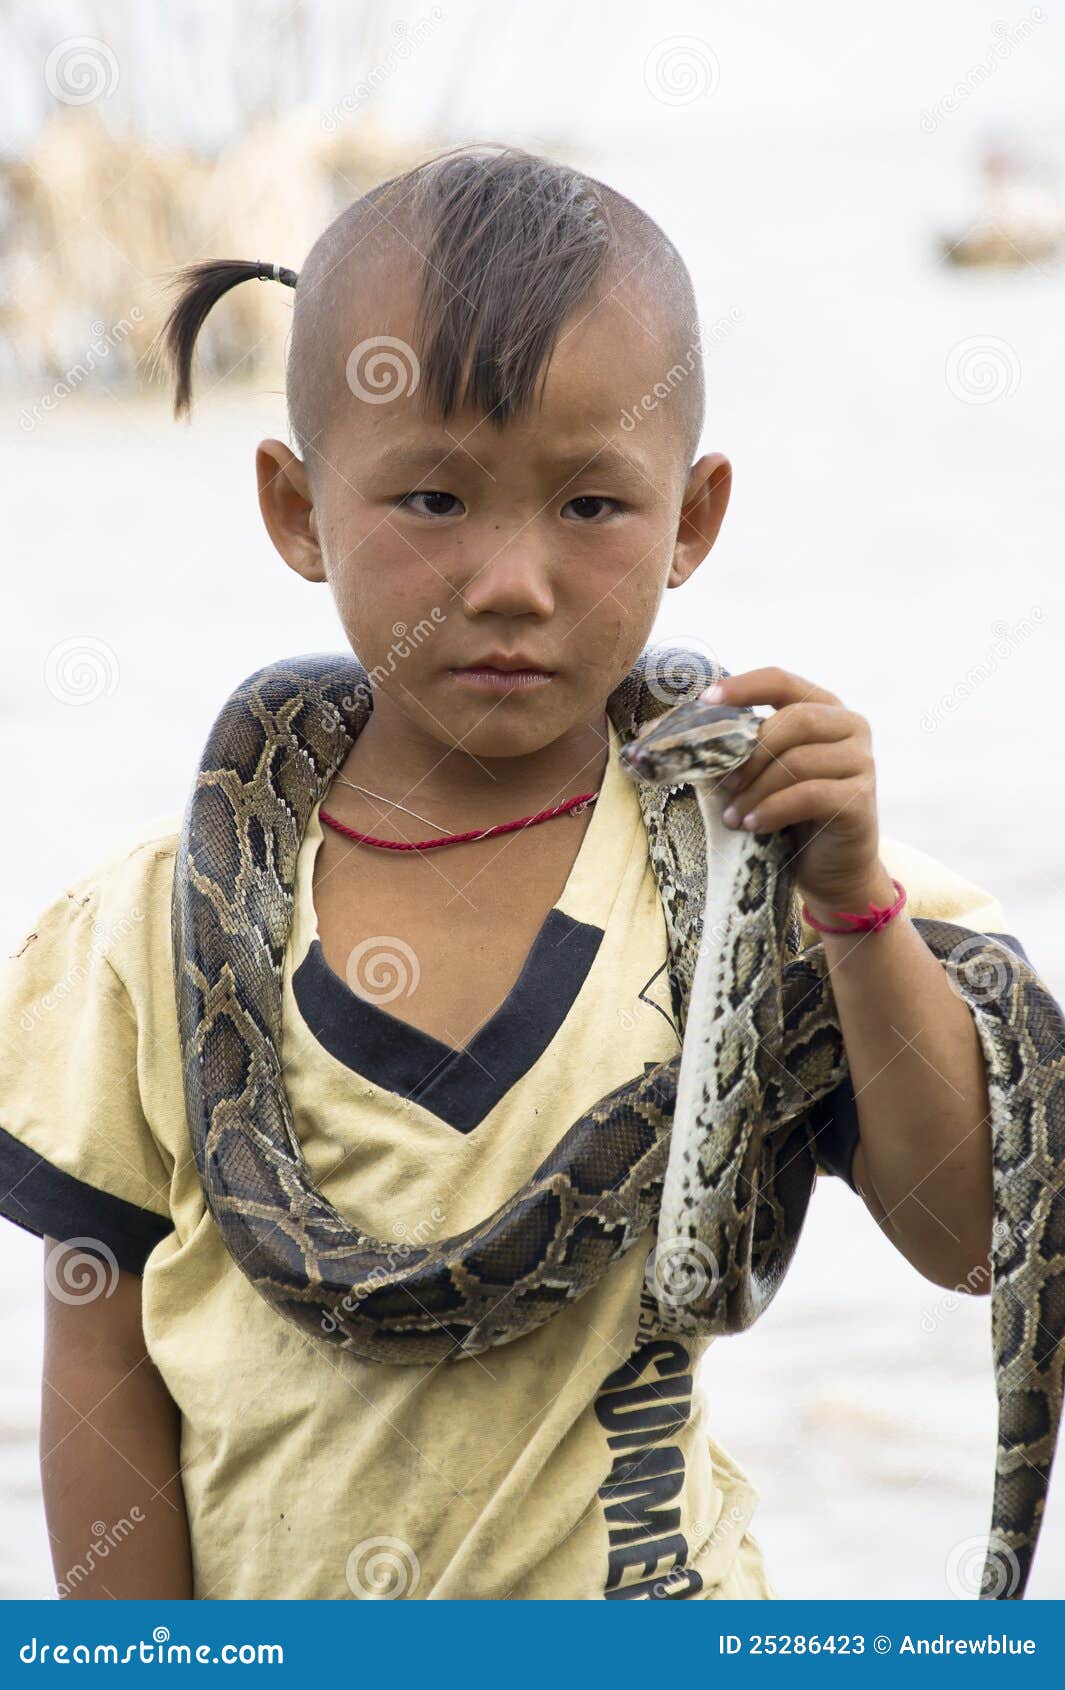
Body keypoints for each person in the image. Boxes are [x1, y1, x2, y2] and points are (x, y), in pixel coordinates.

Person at [0, 143, 1029, 1601]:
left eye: (589, 507)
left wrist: (855, 912)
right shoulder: (141, 929)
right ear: (297, 510)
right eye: (430, 501)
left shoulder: (768, 877)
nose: (508, 580)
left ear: (694, 520)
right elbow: (98, 1359)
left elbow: (974, 1237)